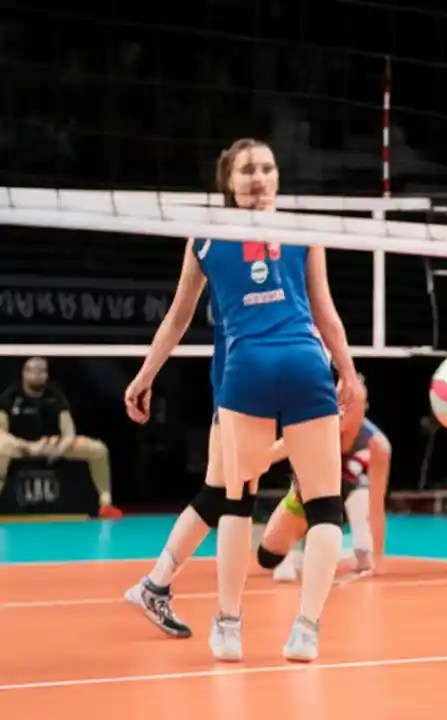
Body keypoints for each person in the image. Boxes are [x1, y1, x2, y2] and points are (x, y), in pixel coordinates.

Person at [124, 137, 359, 664]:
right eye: (248, 169)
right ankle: (303, 630)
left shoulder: (215, 237)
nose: (258, 177)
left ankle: (225, 622)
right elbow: (324, 313)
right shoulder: (263, 233)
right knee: (316, 503)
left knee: (232, 496)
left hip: (252, 370)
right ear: (227, 182)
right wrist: (346, 370)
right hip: (282, 365)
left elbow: (181, 318)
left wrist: (348, 371)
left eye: (267, 168)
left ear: (278, 177)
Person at [123, 292, 286, 639]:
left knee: (217, 493)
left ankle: (156, 585)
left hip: (246, 371)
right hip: (243, 373)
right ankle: (228, 622)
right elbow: (178, 316)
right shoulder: (219, 248)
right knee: (237, 495)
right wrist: (145, 376)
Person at [257, 415, 391, 582]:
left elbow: (376, 505)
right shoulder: (319, 426)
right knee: (268, 557)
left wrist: (378, 557)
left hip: (346, 491)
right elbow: (287, 446)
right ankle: (295, 555)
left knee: (361, 497)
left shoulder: (377, 446)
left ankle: (362, 551)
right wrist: (256, 460)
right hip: (310, 490)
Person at [0, 357, 119, 517]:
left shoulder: (55, 394)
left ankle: (106, 504)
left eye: (41, 371)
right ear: (24, 373)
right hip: (20, 446)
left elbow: (68, 430)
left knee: (98, 449)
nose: (37, 374)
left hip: (52, 444)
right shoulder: (11, 396)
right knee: (1, 446)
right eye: (32, 370)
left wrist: (59, 448)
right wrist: (27, 446)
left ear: (46, 374)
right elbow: (2, 431)